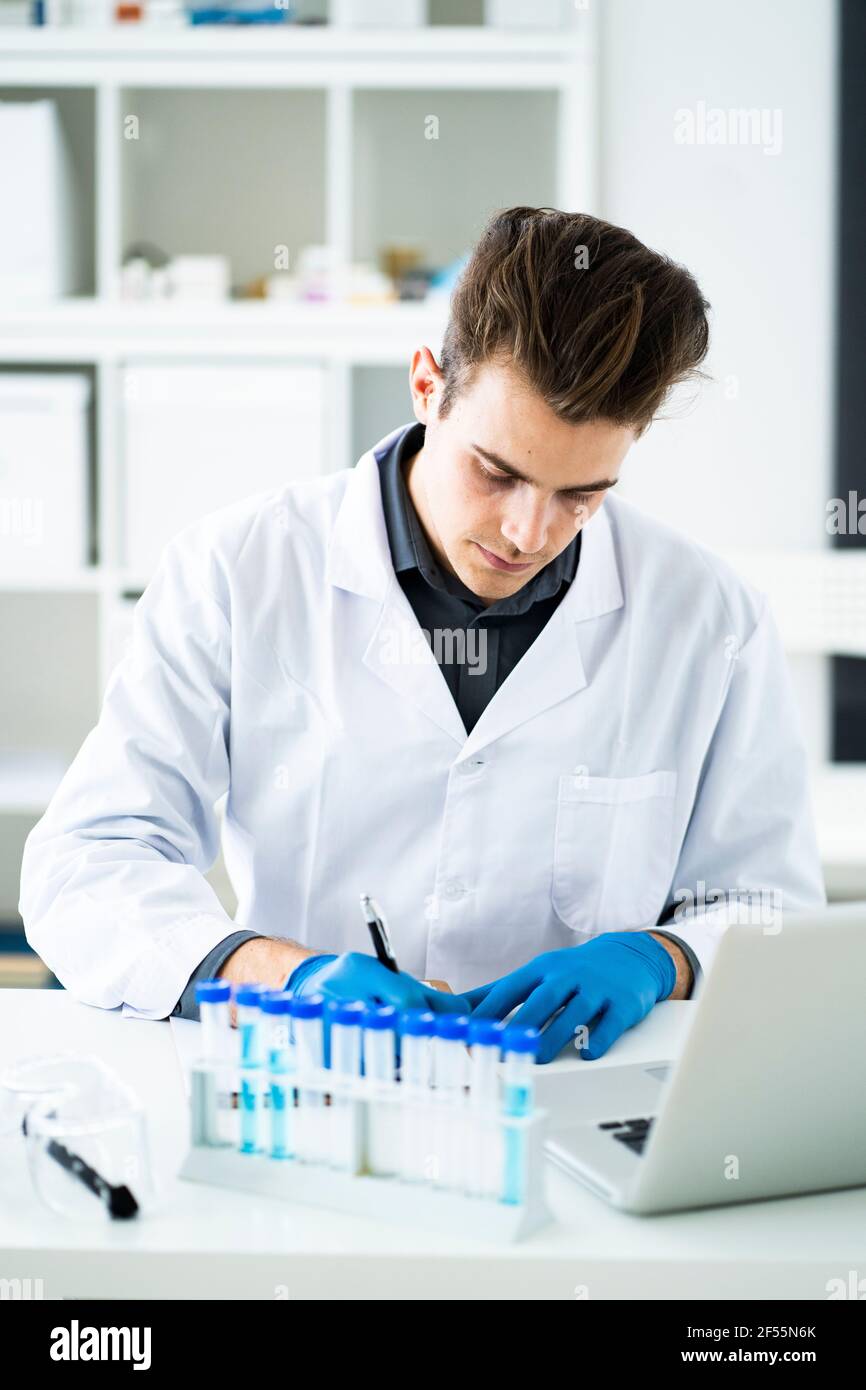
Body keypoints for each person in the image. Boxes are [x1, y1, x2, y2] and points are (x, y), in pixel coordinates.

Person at [19, 207, 825, 1063]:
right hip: (314, 1077)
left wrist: (662, 959)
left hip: (583, 1093)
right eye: (497, 472)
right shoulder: (239, 569)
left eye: (580, 495)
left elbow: (767, 903)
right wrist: (277, 977)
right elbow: (89, 861)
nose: (527, 531)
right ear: (426, 384)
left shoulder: (708, 619)